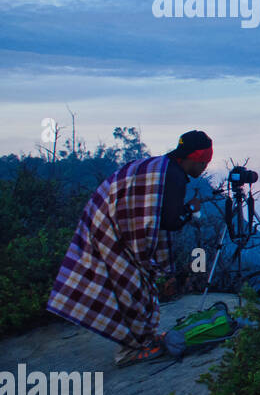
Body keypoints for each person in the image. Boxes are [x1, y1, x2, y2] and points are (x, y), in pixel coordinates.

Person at [46, 130, 213, 365]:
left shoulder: (162, 165)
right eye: (204, 162)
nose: (205, 168)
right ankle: (129, 351)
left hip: (105, 218)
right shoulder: (173, 177)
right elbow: (170, 221)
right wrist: (191, 209)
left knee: (136, 283)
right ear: (193, 159)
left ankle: (144, 337)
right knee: (132, 285)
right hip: (113, 229)